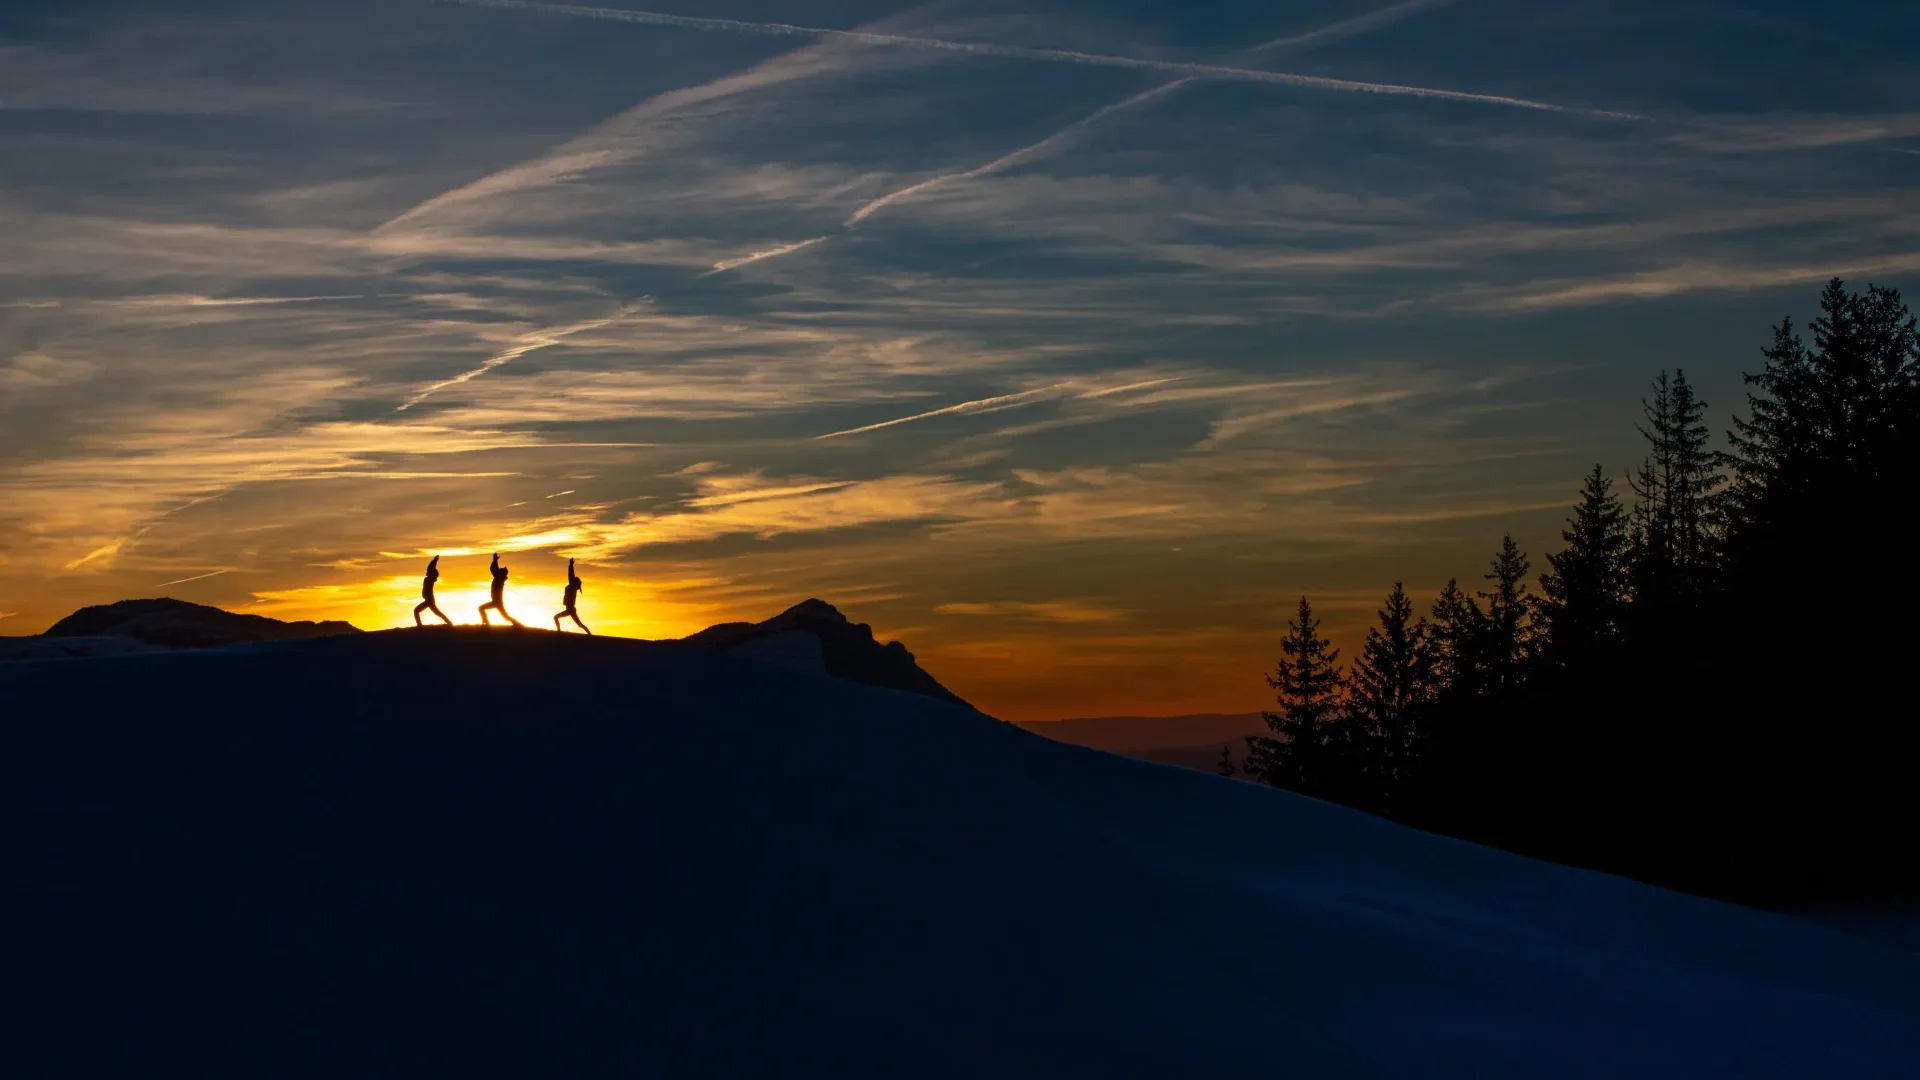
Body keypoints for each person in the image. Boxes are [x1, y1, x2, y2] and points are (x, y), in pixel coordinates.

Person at [477, 553, 522, 627]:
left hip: (496, 602)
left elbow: (494, 570)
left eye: (501, 570)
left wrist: (495, 561)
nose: (500, 569)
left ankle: (486, 623)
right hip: (496, 602)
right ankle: (517, 625)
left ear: (502, 573)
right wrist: (495, 561)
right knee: (505, 616)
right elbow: (494, 570)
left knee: (482, 608)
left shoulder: (499, 577)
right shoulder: (499, 577)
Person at [553, 557, 591, 635]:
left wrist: (571, 565)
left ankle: (559, 632)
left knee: (579, 624)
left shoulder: (572, 587)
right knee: (580, 624)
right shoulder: (572, 587)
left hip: (570, 609)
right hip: (570, 609)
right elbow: (571, 576)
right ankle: (589, 634)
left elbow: (571, 575)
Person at [413, 555, 451, 626]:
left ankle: (419, 626)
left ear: (431, 574)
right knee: (437, 613)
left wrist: (435, 560)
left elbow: (430, 567)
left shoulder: (429, 579)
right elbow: (431, 567)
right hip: (429, 600)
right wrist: (435, 560)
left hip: (429, 600)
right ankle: (449, 623)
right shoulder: (429, 579)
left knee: (416, 611)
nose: (427, 571)